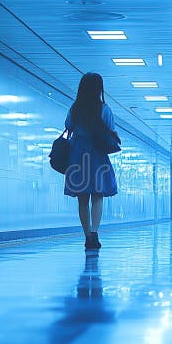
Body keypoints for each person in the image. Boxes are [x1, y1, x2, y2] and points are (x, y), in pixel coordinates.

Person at [65, 73, 118, 250]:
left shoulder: (75, 108)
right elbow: (111, 128)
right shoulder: (104, 109)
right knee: (97, 194)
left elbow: (68, 126)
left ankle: (87, 235)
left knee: (82, 198)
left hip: (78, 157)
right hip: (97, 155)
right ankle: (95, 232)